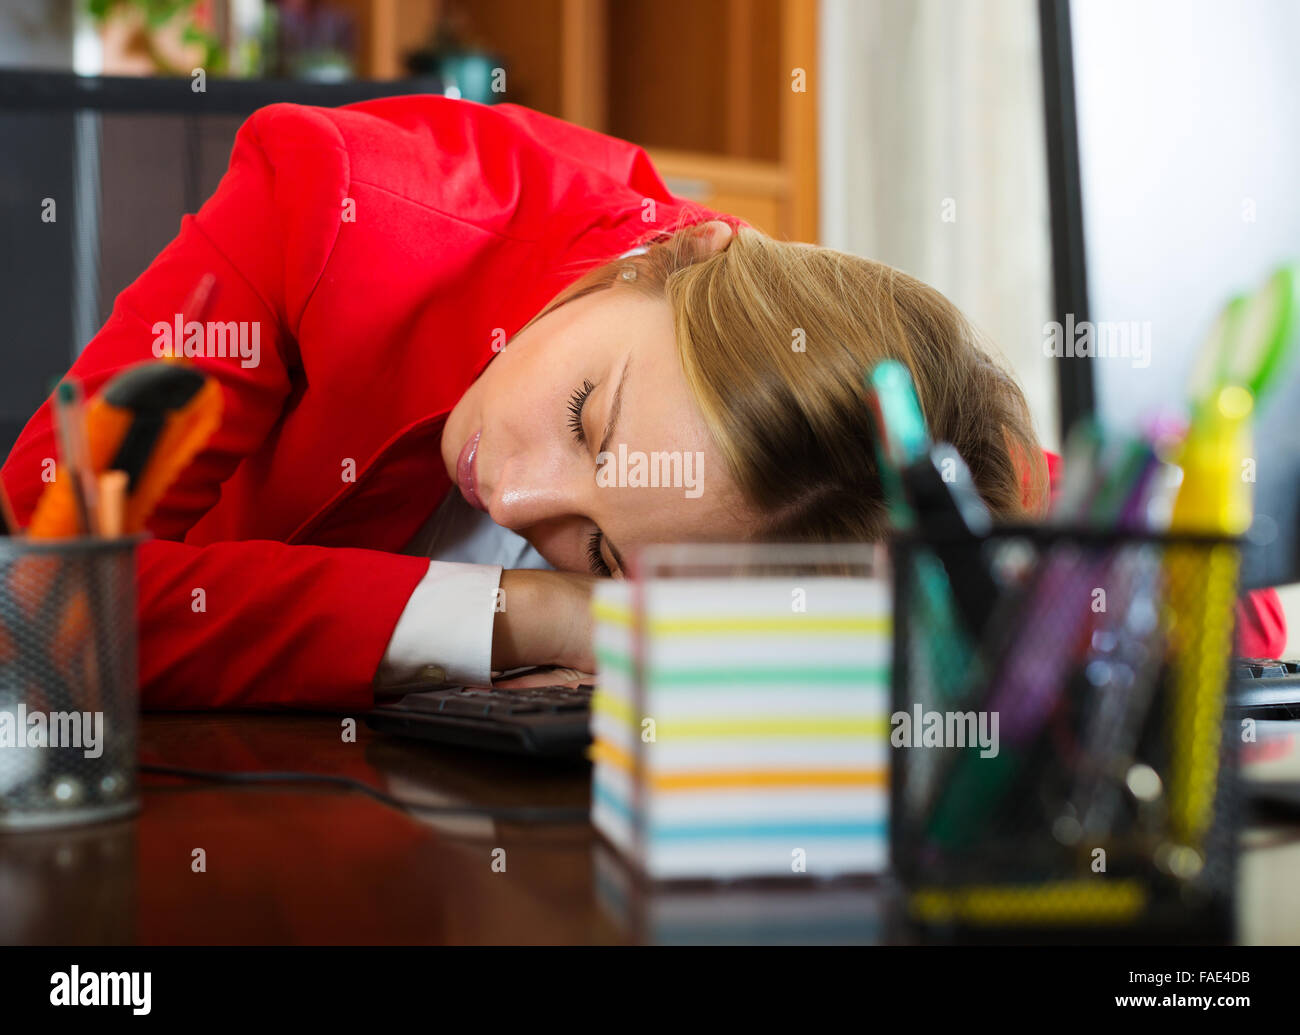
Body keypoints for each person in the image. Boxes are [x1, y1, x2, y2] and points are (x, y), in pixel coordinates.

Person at [0, 96, 1283, 709]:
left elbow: (1089, 573)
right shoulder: (332, 202)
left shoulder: (840, 431)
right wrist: (540, 607)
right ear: (680, 251)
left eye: (605, 548)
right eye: (585, 419)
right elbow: (40, 599)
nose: (515, 494)